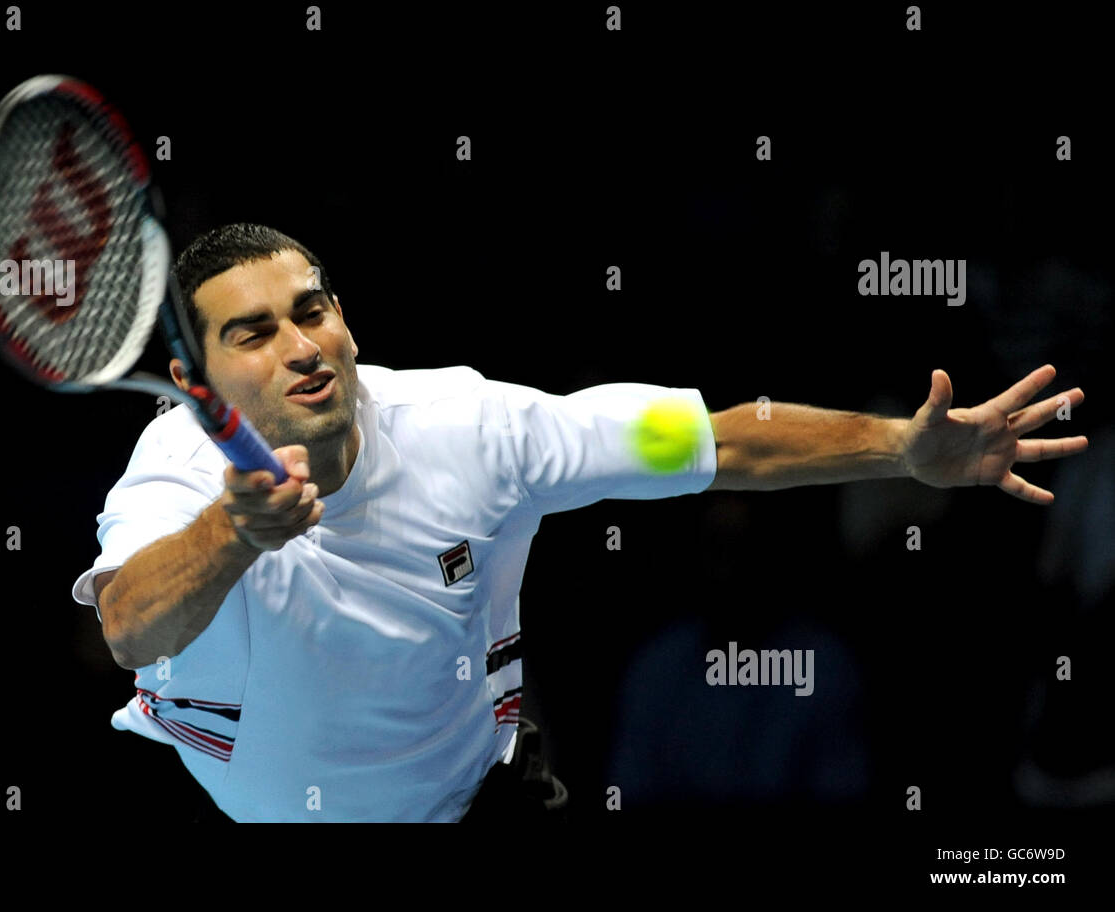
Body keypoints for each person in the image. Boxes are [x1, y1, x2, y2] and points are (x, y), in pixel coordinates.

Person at [71, 223, 1089, 822]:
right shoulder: (175, 462)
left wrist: (896, 449)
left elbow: (717, 441)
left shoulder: (472, 427)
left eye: (313, 308)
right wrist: (232, 533)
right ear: (195, 378)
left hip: (481, 808)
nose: (301, 343)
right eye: (254, 332)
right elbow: (127, 624)